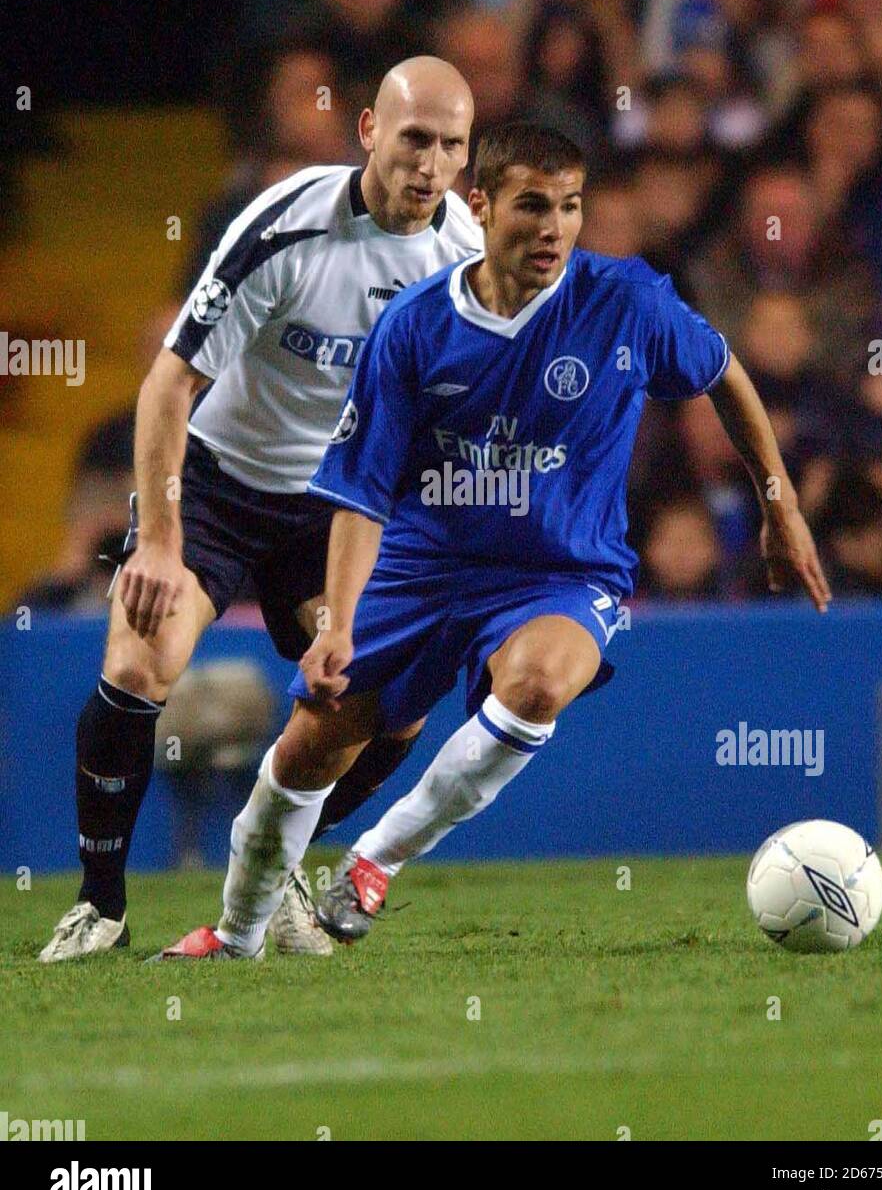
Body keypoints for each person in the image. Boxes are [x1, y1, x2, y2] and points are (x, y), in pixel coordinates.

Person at [153, 121, 830, 961]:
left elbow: (723, 372)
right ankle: (238, 935)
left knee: (540, 684)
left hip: (561, 572)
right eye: (532, 206)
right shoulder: (411, 326)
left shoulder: (625, 303)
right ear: (480, 206)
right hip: (423, 565)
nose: (553, 228)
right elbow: (361, 494)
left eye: (572, 207)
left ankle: (374, 861)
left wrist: (779, 501)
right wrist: (336, 625)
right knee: (306, 751)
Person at [39, 56, 482, 963]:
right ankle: (102, 908)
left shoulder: (465, 260)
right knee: (141, 655)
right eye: (412, 140)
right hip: (220, 482)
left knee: (390, 706)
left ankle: (272, 869)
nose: (427, 164)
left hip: (337, 508)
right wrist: (159, 542)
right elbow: (168, 383)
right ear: (368, 132)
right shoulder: (285, 230)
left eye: (449, 147)